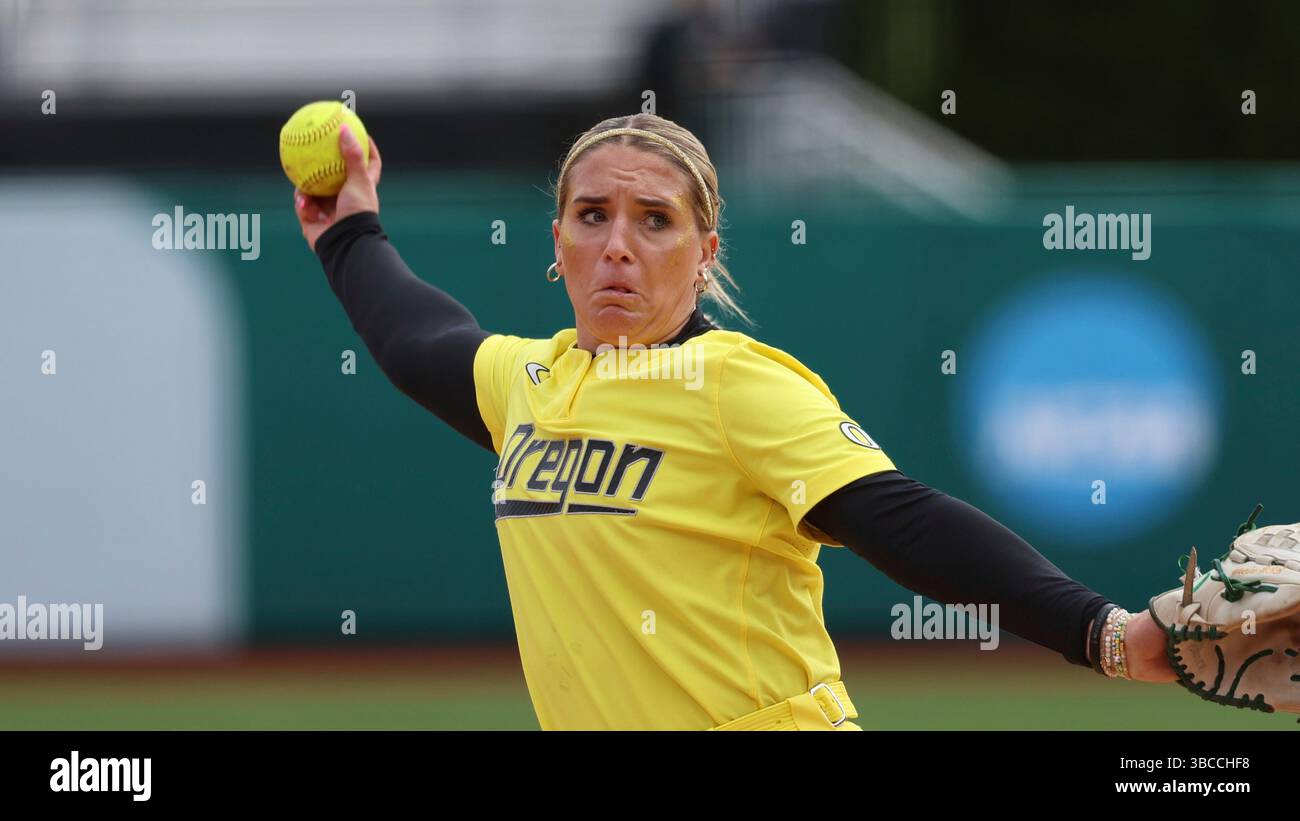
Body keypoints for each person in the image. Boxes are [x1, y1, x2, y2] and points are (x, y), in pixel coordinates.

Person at [292, 112, 1176, 731]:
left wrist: (1100, 631)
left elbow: (904, 519)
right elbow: (418, 339)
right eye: (592, 216)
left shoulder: (733, 383)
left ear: (706, 252)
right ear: (555, 237)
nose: (618, 246)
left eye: (655, 221)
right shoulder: (531, 380)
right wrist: (348, 231)